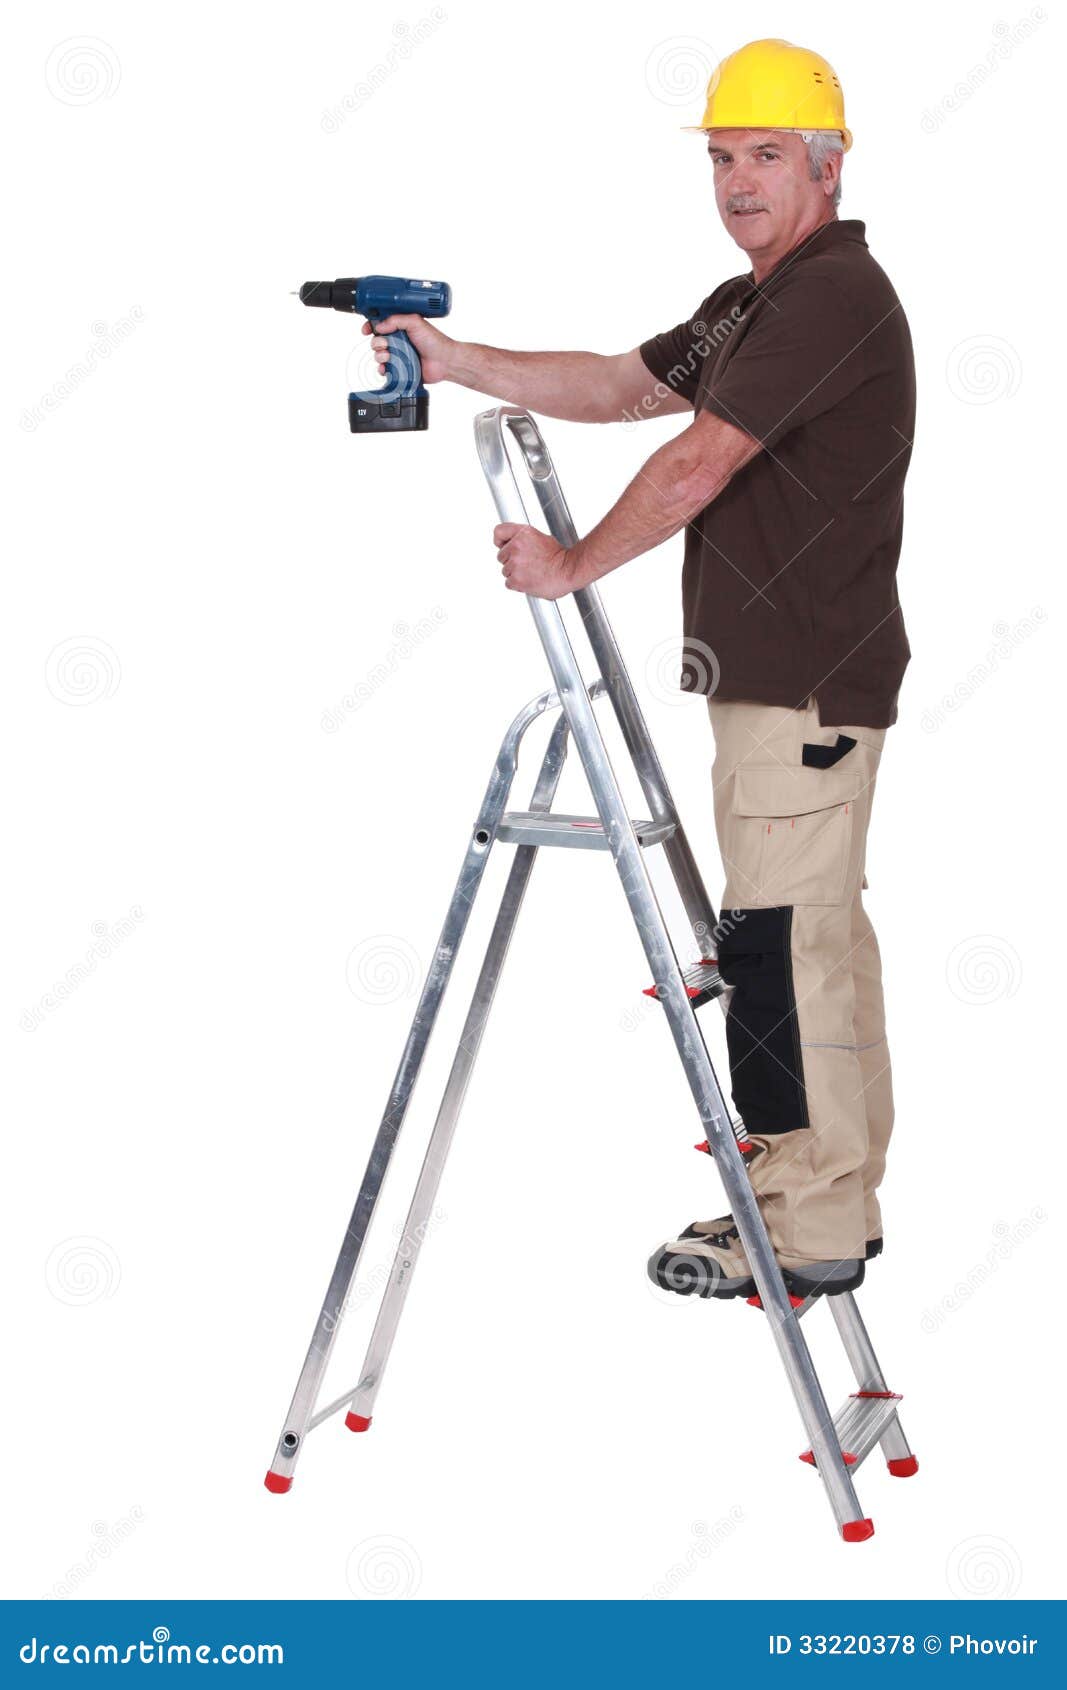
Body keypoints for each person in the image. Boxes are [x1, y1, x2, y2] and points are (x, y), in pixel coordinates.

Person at [363, 38, 914, 1301]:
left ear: (823, 168)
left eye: (763, 156)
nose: (735, 181)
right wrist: (457, 360)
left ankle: (804, 1217)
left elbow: (692, 464)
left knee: (774, 949)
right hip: (786, 690)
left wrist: (571, 562)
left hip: (803, 685)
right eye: (722, 157)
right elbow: (620, 389)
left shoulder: (829, 295)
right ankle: (832, 1195)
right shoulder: (754, 302)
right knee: (815, 942)